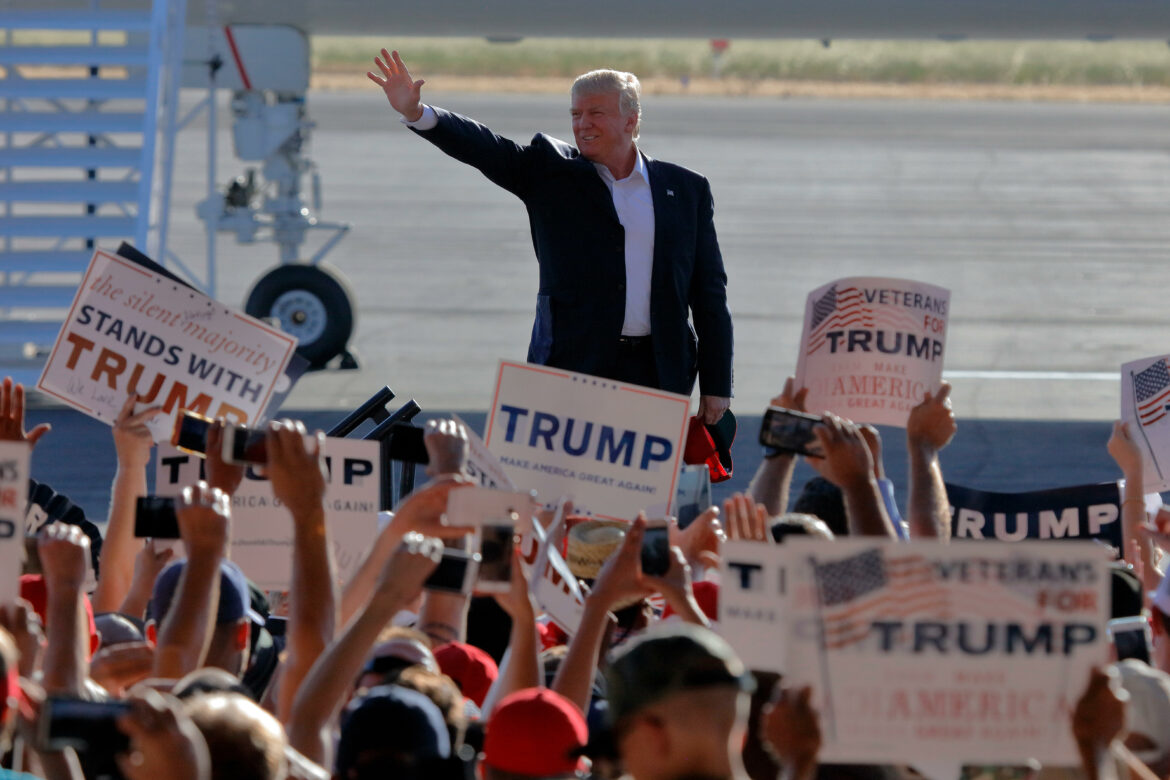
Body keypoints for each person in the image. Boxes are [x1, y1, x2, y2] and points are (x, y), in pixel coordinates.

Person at [369, 50, 734, 424]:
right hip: (571, 369)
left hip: (657, 374)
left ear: (631, 120)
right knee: (566, 484)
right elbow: (486, 147)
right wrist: (418, 114)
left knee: (645, 484)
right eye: (576, 114)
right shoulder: (550, 173)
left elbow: (709, 293)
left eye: (596, 113)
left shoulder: (686, 189)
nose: (582, 124)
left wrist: (717, 383)